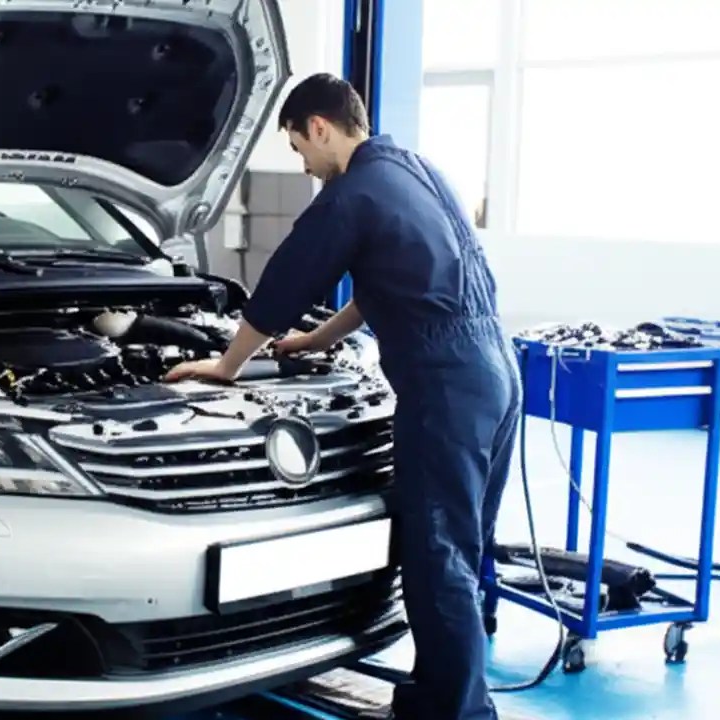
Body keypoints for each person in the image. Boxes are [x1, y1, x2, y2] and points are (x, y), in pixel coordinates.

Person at [163, 73, 522, 720]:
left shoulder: (351, 195)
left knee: (438, 552)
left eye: (299, 150)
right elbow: (383, 284)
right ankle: (444, 693)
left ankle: (457, 712)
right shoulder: (418, 172)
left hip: (447, 385)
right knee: (462, 548)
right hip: (497, 369)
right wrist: (315, 342)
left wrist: (227, 365)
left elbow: (283, 285)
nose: (304, 166)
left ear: (319, 127)